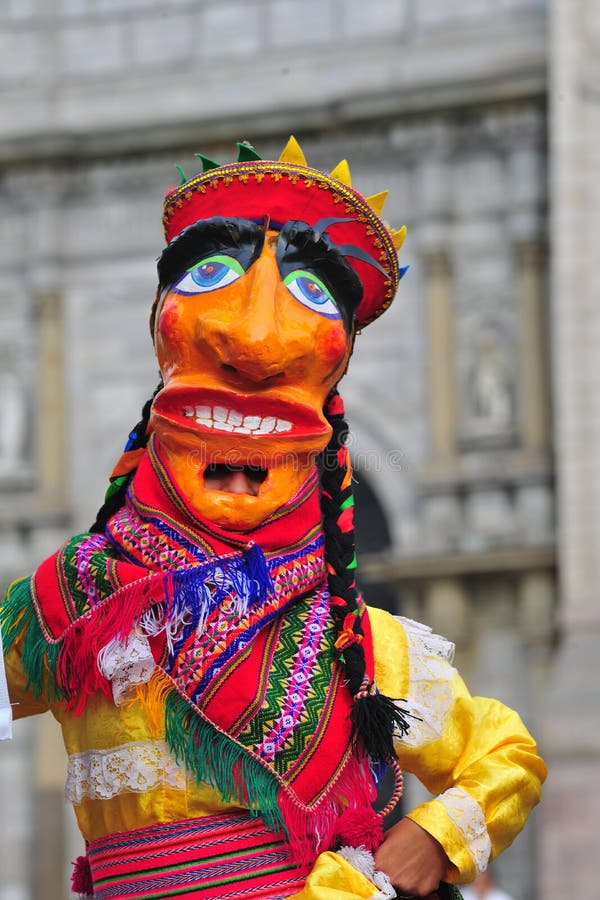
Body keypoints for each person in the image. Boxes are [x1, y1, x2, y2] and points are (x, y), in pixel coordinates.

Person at [0, 137, 546, 900]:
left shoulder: (356, 643)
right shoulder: (72, 605)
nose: (253, 347)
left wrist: (436, 836)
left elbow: (504, 751)